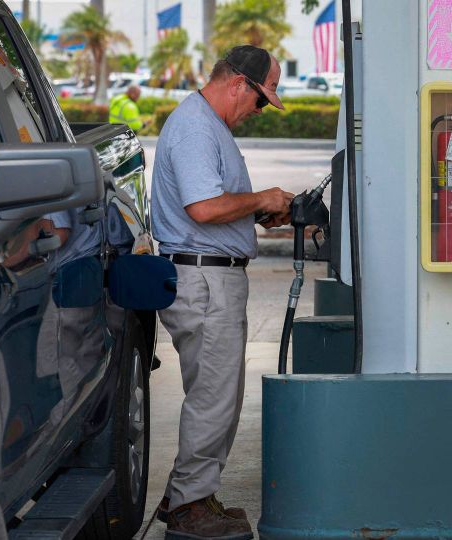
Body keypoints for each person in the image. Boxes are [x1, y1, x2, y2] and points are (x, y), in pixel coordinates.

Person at [151, 45, 294, 539]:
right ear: (238, 83)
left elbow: (214, 203)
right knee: (213, 397)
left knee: (219, 395)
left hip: (211, 273)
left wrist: (257, 212)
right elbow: (204, 208)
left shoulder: (207, 125)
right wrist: (264, 198)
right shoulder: (195, 126)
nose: (258, 112)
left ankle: (189, 494)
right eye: (259, 101)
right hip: (204, 278)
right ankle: (190, 507)